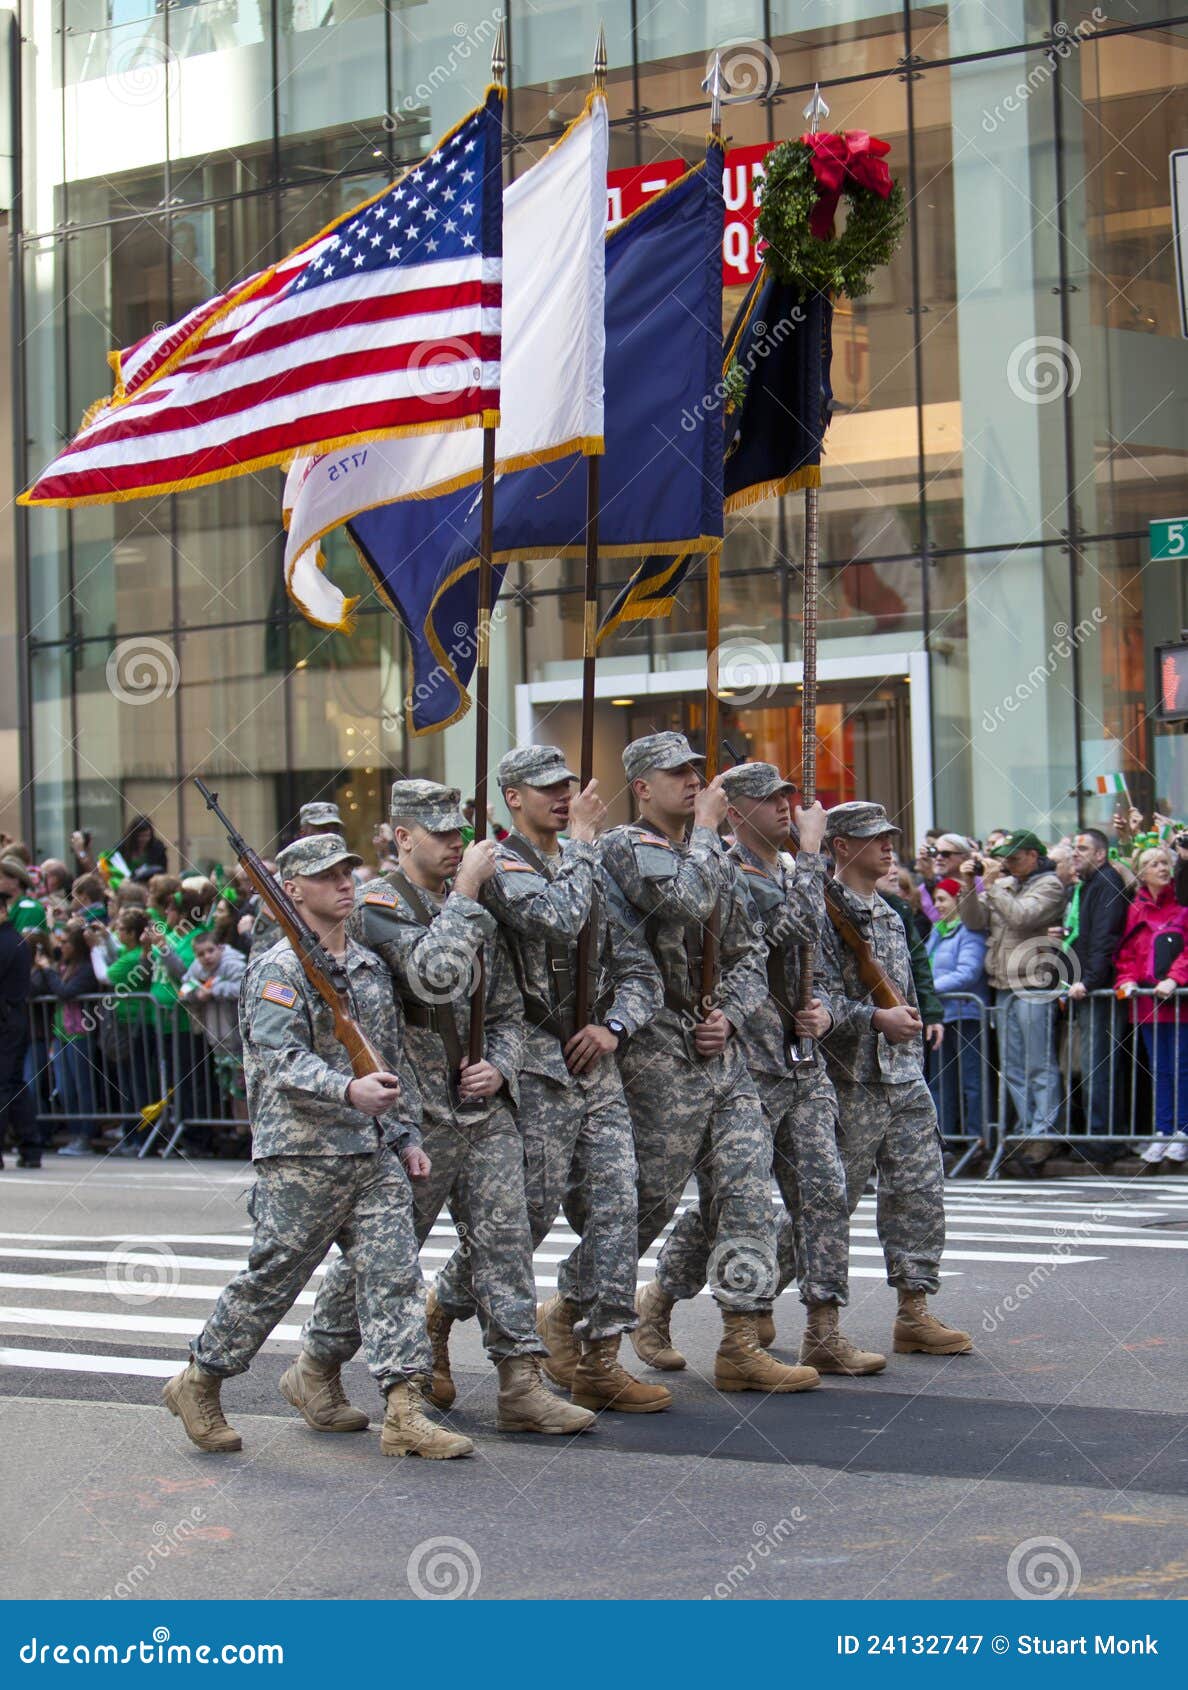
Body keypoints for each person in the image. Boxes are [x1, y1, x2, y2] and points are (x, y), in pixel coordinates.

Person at [163, 833, 464, 1460]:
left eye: (348, 871)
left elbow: (387, 1061)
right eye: (327, 876)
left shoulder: (368, 968)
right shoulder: (275, 971)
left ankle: (404, 1409)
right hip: (303, 1155)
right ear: (291, 889)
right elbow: (280, 1061)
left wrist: (403, 1135)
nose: (345, 883)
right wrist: (347, 1091)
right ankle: (199, 1380)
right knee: (271, 1281)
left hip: (371, 1155)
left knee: (393, 1277)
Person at [309, 780, 594, 1438]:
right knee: (385, 1255)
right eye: (439, 835)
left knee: (505, 1240)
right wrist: (466, 895)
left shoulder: (474, 906)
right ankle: (319, 1365)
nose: (455, 845)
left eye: (459, 833)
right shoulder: (379, 906)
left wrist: (499, 1060)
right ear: (401, 837)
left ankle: (520, 1383)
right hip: (414, 1116)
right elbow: (432, 976)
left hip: (478, 1107)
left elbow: (504, 1009)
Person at [432, 747, 669, 1414]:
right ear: (513, 797)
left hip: (596, 1066)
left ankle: (599, 1355)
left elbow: (639, 971)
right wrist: (586, 846)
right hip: (534, 1065)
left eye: (568, 787)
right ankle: (442, 1309)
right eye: (546, 790)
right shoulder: (502, 865)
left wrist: (614, 1027)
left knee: (621, 1204)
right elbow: (556, 918)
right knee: (524, 1220)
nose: (562, 799)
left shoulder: (581, 865)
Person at [647, 763, 885, 1377]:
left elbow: (829, 944)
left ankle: (824, 1327)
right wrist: (812, 851)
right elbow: (790, 926)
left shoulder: (788, 869)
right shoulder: (727, 870)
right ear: (735, 810)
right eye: (769, 799)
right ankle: (661, 1303)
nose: (786, 806)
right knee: (729, 1204)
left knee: (826, 1191)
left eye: (788, 797)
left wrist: (828, 1010)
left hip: (798, 1060)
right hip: (745, 1062)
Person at [602, 733, 813, 1395]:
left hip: (722, 1059)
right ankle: (582, 1314)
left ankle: (741, 1340)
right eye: (675, 774)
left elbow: (749, 952)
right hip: (656, 1057)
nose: (693, 782)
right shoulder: (625, 848)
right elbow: (685, 901)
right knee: (649, 1203)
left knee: (747, 1194)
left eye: (696, 771)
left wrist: (727, 1009)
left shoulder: (710, 851)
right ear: (642, 787)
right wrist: (704, 833)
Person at [819, 802, 971, 1356]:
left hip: (903, 1076)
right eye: (872, 838)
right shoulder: (816, 911)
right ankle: (768, 1308)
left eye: (889, 837)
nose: (887, 847)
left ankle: (914, 1308)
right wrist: (873, 1018)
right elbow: (807, 1001)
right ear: (838, 844)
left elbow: (911, 978)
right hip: (849, 1079)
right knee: (828, 1202)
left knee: (919, 1191)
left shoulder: (891, 912)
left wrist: (916, 1012)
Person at [958, 828, 1066, 1170]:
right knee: (1014, 1067)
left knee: (1039, 1064)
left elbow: (1022, 916)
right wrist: (968, 886)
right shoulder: (1002, 885)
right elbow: (973, 920)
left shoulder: (1050, 885)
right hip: (1003, 984)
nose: (1007, 863)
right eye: (1004, 858)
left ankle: (1044, 1133)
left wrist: (990, 884)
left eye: (1015, 858)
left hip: (1033, 984)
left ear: (1034, 856)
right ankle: (1024, 1130)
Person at [1113, 846, 1188, 1165]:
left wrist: (1174, 978)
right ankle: (1162, 1130)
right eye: (1152, 863)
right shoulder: (1136, 908)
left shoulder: (1183, 905)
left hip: (1179, 1002)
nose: (1161, 867)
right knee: (1158, 1069)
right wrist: (1126, 980)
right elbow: (1127, 954)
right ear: (1140, 873)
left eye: (1164, 862)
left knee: (1181, 1068)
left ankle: (1181, 1132)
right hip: (1147, 1004)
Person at [1066, 828, 1130, 1139]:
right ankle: (1097, 1135)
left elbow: (1105, 937)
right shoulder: (1088, 885)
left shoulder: (1107, 882)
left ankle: (1102, 1139)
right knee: (1091, 1067)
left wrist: (1089, 981)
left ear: (1101, 854)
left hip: (1098, 990)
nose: (1074, 853)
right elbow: (1087, 933)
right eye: (1073, 848)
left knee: (1098, 1067)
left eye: (1082, 848)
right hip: (1088, 987)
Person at [29, 920, 103, 1156]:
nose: (62, 947)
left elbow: (65, 992)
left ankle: (86, 1135)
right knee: (65, 1088)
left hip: (80, 1033)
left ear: (77, 946)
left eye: (66, 943)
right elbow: (41, 989)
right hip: (60, 1034)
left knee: (83, 1086)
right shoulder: (62, 967)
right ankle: (74, 1133)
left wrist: (48, 970)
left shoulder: (85, 969)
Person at [924, 878, 989, 1147]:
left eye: (943, 899)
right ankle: (945, 1138)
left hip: (966, 1014)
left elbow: (967, 972)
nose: (937, 905)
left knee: (971, 1081)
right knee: (942, 1082)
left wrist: (928, 990)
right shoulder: (938, 931)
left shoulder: (970, 932)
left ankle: (976, 1137)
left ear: (958, 901)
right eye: (935, 899)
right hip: (942, 1016)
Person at [180, 931, 248, 1121]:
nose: (207, 957)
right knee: (229, 1086)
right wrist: (195, 995)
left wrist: (214, 990)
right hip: (216, 1039)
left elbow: (245, 987)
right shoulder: (196, 968)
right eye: (201, 954)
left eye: (210, 951)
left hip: (239, 1038)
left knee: (242, 1086)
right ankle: (238, 1130)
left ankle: (246, 1132)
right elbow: (183, 989)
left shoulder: (233, 963)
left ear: (220, 948)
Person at [0, 887, 40, 1169]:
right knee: (13, 1084)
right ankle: (30, 1146)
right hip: (12, 1018)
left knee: (4, 1085)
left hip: (5, 1020)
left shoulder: (6, 942)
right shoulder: (14, 940)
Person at [0, 856, 49, 934]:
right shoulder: (7, 908)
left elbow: (22, 943)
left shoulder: (31, 909)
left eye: (0, 878)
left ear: (15, 882)